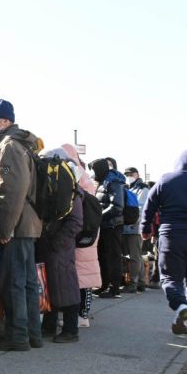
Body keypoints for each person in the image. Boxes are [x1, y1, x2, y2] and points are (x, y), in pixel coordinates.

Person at [0, 99, 44, 352]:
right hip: (29, 223)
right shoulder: (24, 145)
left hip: (17, 224)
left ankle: (17, 336)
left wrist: (5, 228)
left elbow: (11, 191)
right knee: (28, 281)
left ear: (5, 120)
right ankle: (33, 334)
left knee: (14, 282)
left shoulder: (9, 146)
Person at [37, 148, 84, 343]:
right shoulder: (60, 186)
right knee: (52, 286)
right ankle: (49, 325)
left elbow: (76, 221)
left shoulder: (71, 189)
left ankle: (71, 329)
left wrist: (57, 242)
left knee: (65, 286)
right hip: (54, 243)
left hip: (60, 245)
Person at [141, 151, 187, 334]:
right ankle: (181, 314)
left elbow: (149, 206)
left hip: (171, 235)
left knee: (170, 278)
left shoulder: (166, 180)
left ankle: (180, 306)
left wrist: (145, 229)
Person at [62, 144, 102, 327]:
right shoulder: (84, 175)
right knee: (86, 274)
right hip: (90, 231)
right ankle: (83, 314)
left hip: (79, 231)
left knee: (80, 275)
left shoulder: (74, 173)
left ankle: (80, 315)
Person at [89, 158, 125, 299]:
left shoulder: (113, 182)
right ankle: (104, 285)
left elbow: (117, 206)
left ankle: (114, 288)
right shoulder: (102, 181)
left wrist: (98, 217)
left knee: (113, 257)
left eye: (94, 170)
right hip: (104, 225)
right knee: (102, 256)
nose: (92, 173)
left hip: (112, 225)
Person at [122, 167, 150, 293]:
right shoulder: (130, 187)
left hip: (134, 227)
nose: (129, 176)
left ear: (137, 174)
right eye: (127, 174)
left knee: (135, 257)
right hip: (128, 227)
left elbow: (141, 208)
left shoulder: (142, 188)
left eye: (130, 174)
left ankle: (134, 283)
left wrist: (133, 222)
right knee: (136, 256)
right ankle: (141, 282)